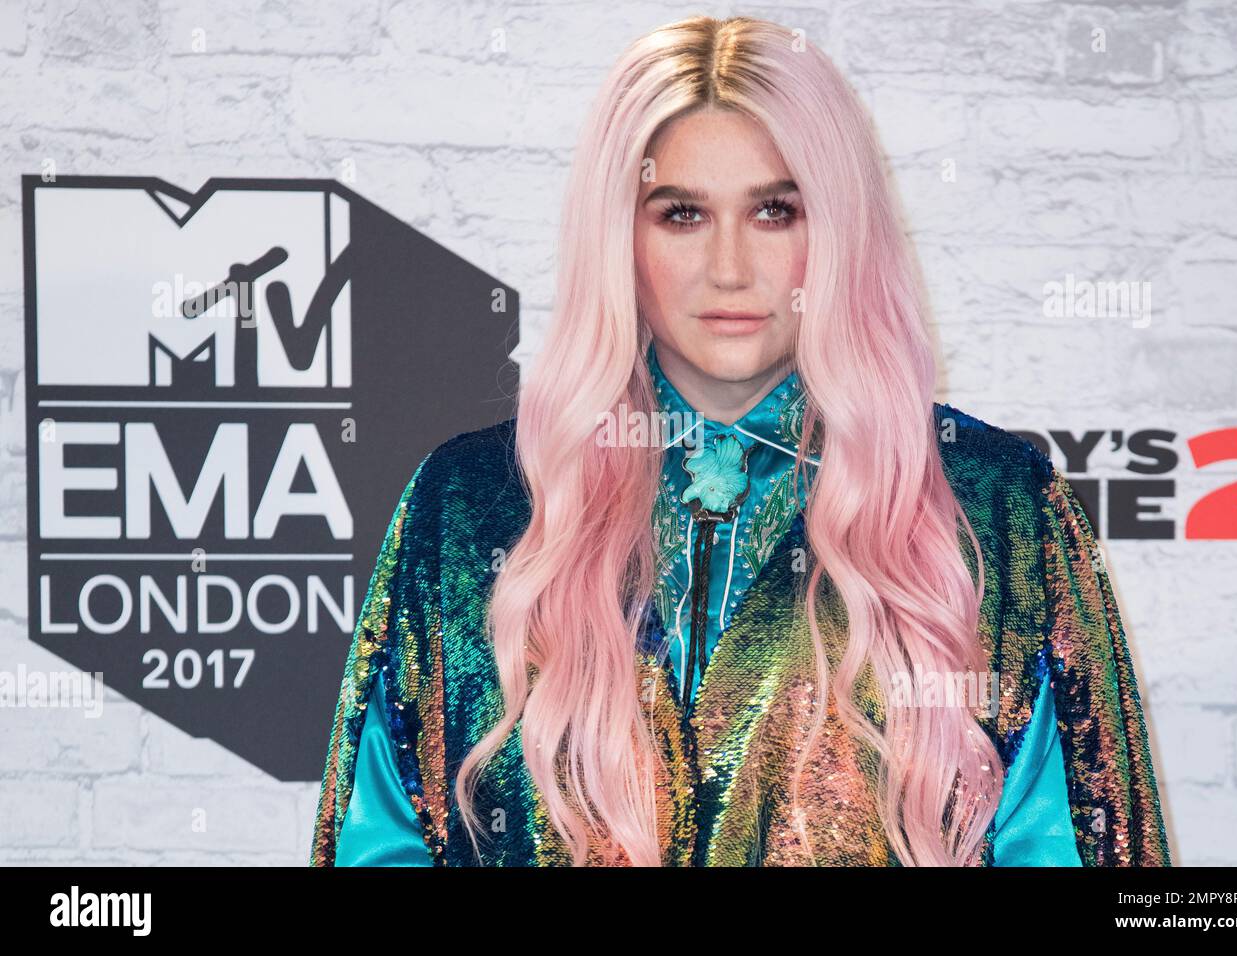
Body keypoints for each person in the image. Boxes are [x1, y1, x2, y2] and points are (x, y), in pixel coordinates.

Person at [310, 14, 1169, 867]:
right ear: (620, 234)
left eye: (775, 211)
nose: (730, 268)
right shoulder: (471, 505)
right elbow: (380, 846)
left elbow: (1080, 848)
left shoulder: (993, 502)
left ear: (837, 226)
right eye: (681, 213)